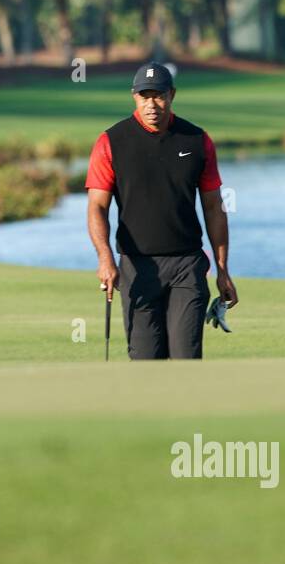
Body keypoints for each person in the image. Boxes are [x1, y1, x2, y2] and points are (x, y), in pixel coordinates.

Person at [86, 62, 237, 359]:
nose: (152, 104)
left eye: (159, 95)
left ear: (172, 95)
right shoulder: (111, 142)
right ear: (134, 97)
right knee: (145, 360)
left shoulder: (197, 140)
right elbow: (97, 206)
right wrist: (105, 258)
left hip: (187, 266)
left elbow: (213, 208)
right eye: (145, 96)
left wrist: (222, 270)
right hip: (137, 267)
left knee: (185, 358)